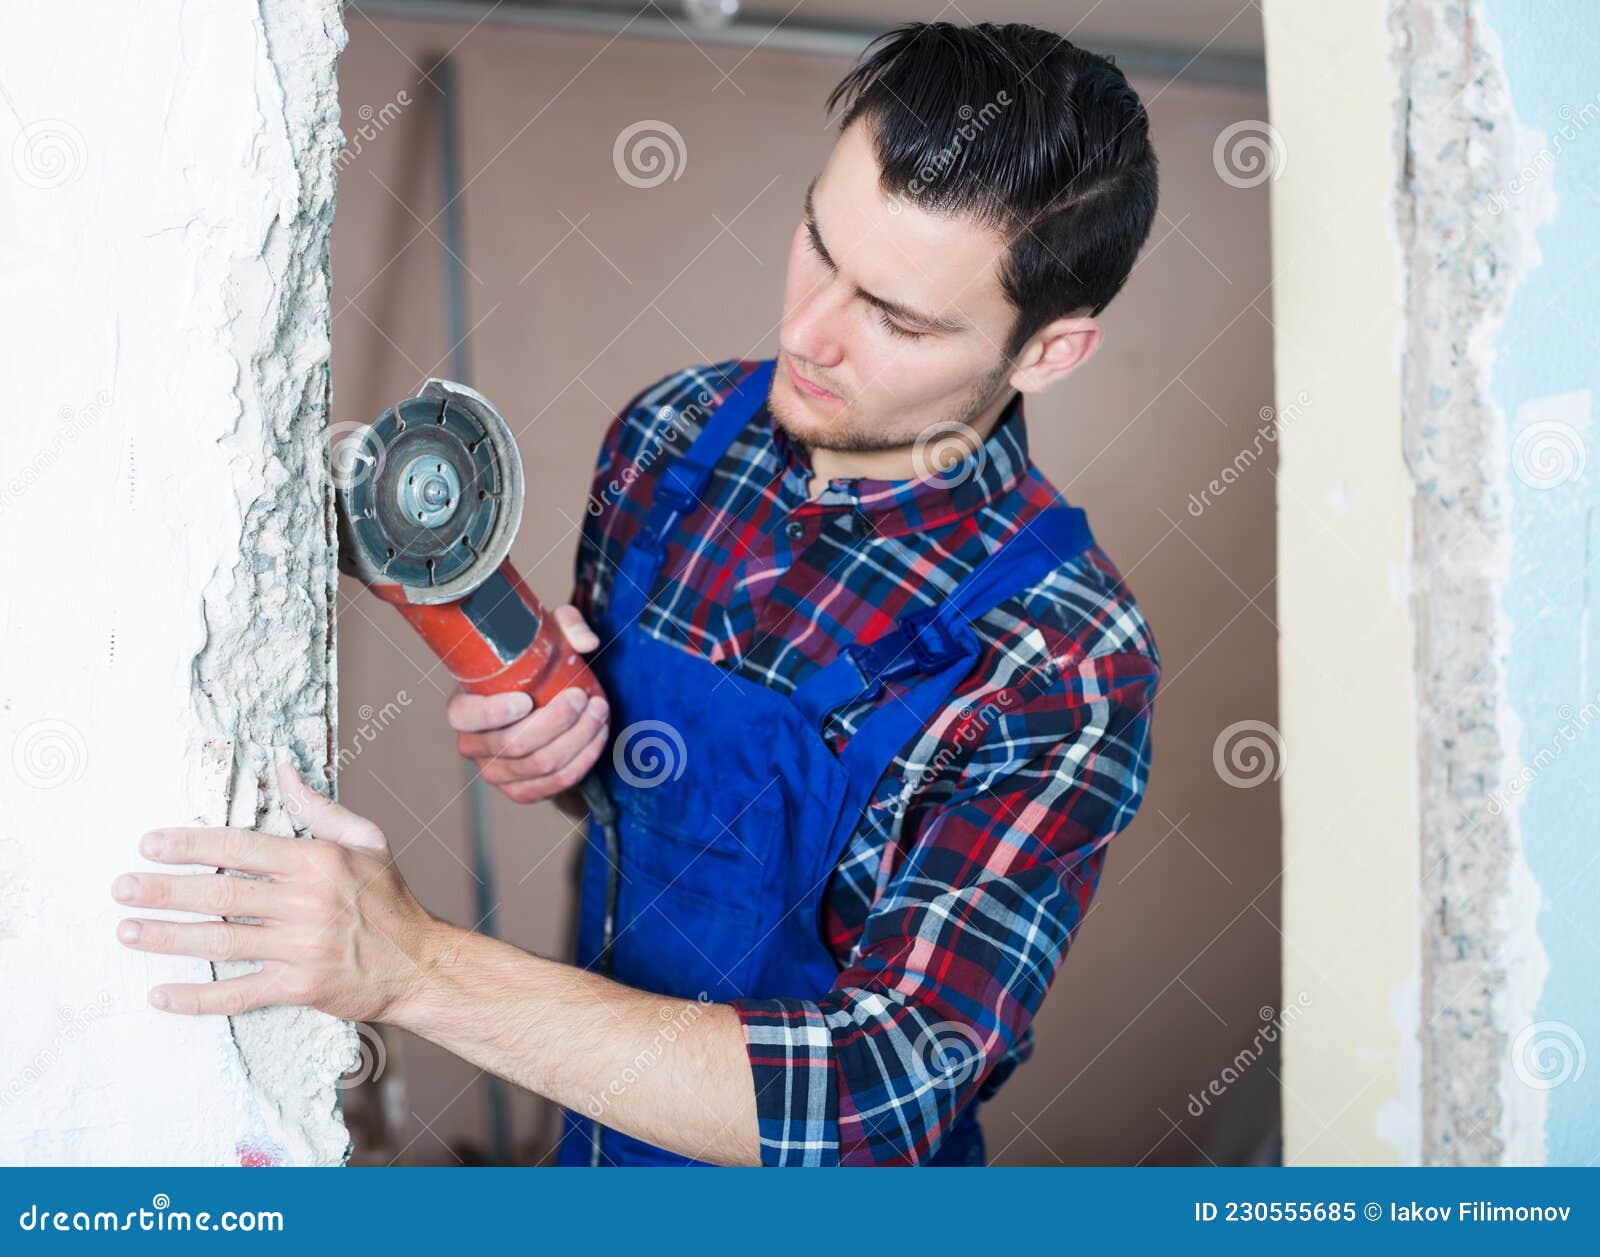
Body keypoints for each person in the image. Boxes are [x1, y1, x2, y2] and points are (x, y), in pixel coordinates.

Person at [114, 20, 1162, 1167]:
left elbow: (875, 1096)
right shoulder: (673, 436)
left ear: (1046, 352)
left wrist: (410, 963)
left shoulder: (1061, 654)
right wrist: (568, 751)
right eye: (818, 243)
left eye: (896, 318)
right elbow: (641, 808)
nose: (806, 335)